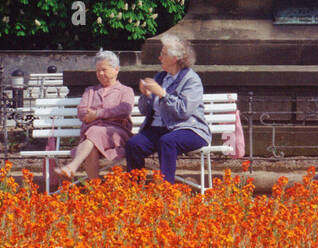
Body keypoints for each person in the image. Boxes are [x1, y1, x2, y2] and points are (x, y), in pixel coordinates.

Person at [125, 37, 210, 184]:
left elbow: (183, 111)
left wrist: (163, 94)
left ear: (175, 58)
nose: (159, 57)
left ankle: (166, 192)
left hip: (189, 129)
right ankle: (135, 192)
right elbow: (144, 111)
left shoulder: (191, 79)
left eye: (164, 54)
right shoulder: (161, 76)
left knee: (167, 141)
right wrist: (146, 96)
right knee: (134, 144)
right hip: (160, 129)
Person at [58, 51, 135, 182]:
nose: (100, 74)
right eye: (97, 71)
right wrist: (107, 115)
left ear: (116, 69)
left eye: (103, 70)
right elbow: (82, 112)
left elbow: (124, 110)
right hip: (92, 134)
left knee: (93, 132)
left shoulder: (125, 90)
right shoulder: (90, 91)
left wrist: (97, 114)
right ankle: (95, 190)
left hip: (116, 134)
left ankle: (73, 166)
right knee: (92, 145)